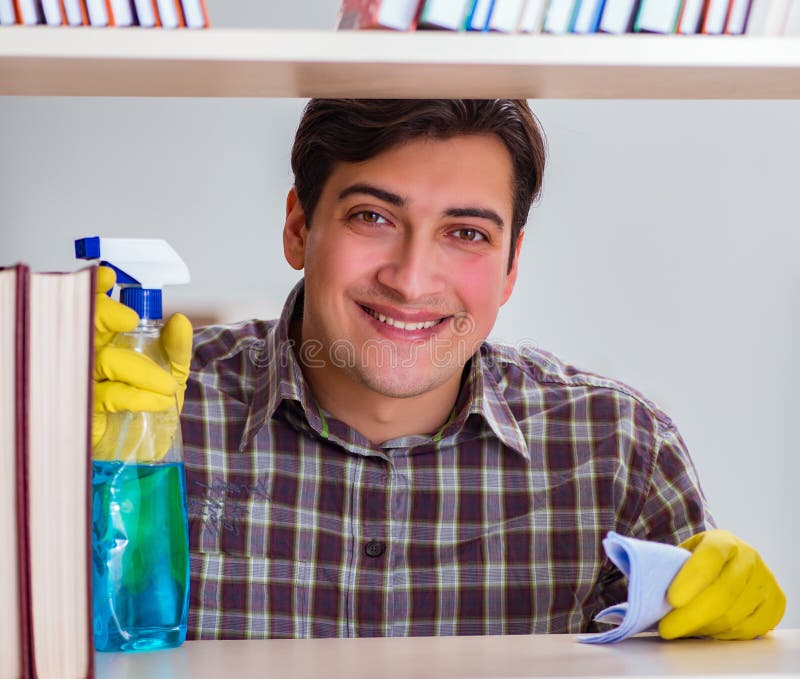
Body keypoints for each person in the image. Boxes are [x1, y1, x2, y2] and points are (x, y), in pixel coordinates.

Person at [93, 98, 785, 641]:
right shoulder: (140, 416)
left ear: (512, 265)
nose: (411, 277)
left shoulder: (620, 451)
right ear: (300, 227)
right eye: (373, 216)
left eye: (467, 234)